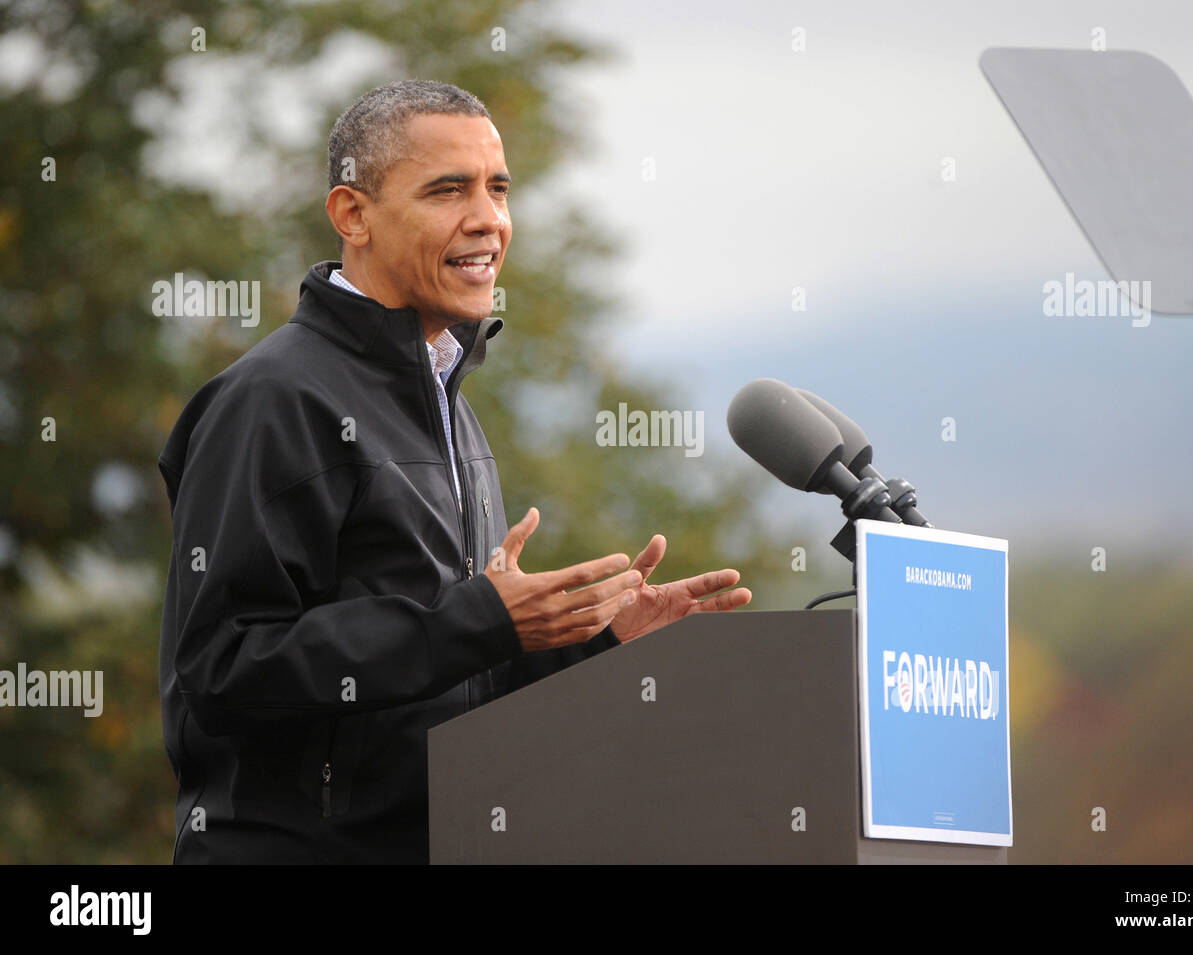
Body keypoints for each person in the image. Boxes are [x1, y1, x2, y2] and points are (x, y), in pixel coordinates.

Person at [157, 80, 751, 863]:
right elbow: (218, 672)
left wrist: (589, 642)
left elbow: (442, 668)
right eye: (448, 190)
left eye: (498, 189)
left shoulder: (448, 402)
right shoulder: (272, 400)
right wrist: (481, 620)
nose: (489, 220)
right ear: (352, 215)